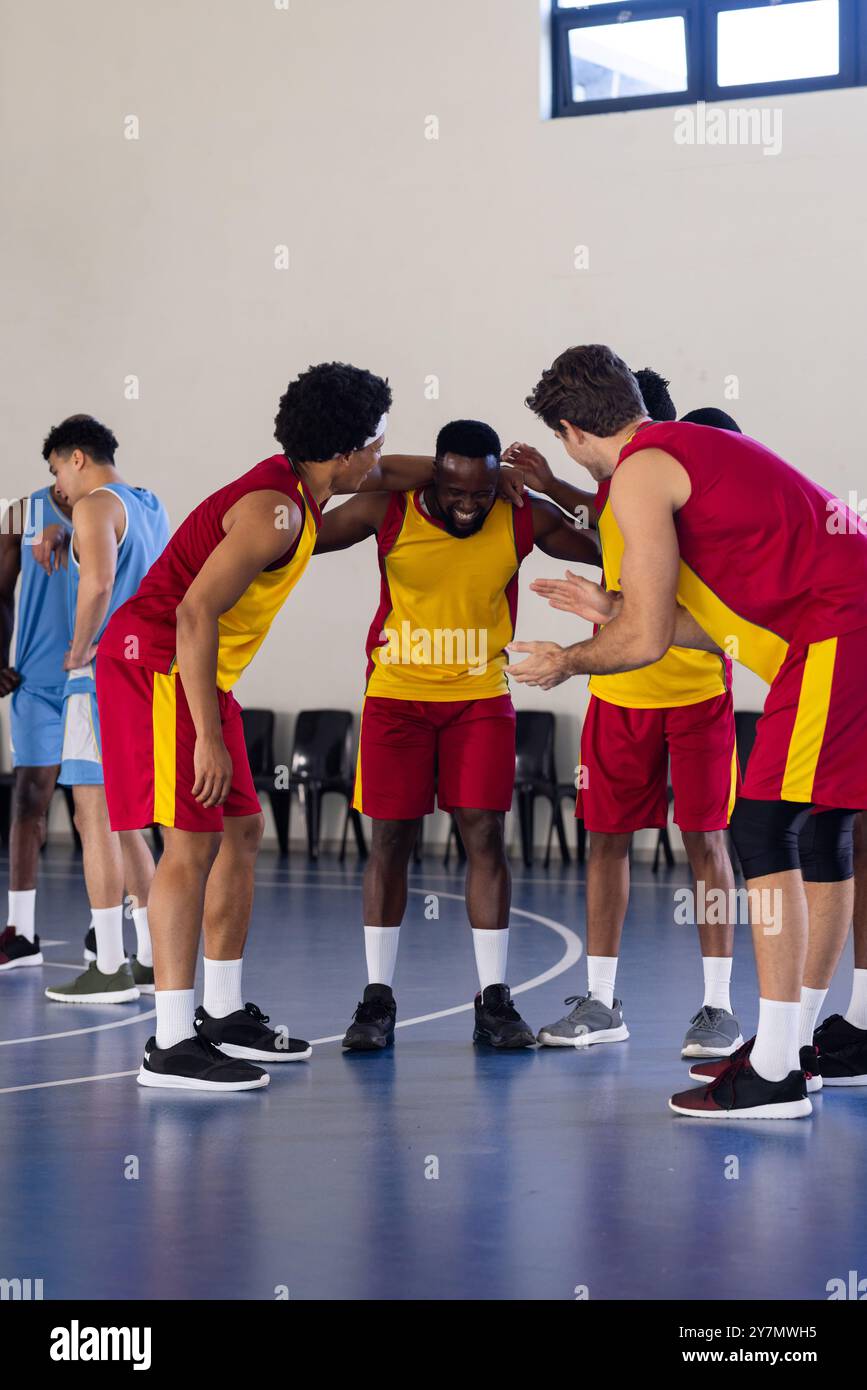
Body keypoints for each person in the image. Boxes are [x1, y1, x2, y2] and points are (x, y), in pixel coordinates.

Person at [510, 343, 867, 1119]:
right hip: (841, 632)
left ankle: (775, 1073)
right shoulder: (697, 449)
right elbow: (702, 630)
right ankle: (795, 1044)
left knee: (765, 826)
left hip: (838, 637)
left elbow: (639, 645)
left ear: (572, 433)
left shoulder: (637, 472)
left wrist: (565, 660)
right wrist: (611, 612)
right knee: (820, 827)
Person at [95, 361, 436, 1090]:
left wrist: (476, 469)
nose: (382, 454)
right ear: (343, 452)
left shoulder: (307, 484)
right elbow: (193, 613)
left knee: (242, 831)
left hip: (198, 673)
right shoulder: (273, 511)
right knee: (190, 842)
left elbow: (391, 475)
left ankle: (220, 1013)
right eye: (374, 442)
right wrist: (210, 735)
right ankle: (170, 1042)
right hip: (155, 664)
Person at [313, 418, 600, 1051]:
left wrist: (554, 485)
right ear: (434, 476)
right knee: (390, 840)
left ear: (498, 479)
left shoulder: (519, 515)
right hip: (396, 699)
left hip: (479, 700)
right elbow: (303, 530)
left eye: (482, 490)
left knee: (485, 836)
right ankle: (376, 1000)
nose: (469, 504)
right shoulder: (388, 508)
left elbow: (608, 541)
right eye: (456, 490)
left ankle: (494, 1000)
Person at [504, 377, 742, 1059]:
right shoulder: (618, 492)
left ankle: (717, 1007)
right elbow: (586, 511)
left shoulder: (709, 508)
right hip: (619, 697)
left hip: (697, 697)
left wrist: (606, 608)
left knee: (707, 844)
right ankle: (602, 1001)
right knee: (605, 841)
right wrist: (545, 481)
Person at [38, 416, 170, 1004]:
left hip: (99, 678)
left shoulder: (92, 504)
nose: (58, 486)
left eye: (56, 471)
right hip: (144, 674)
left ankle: (108, 964)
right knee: (127, 822)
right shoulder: (148, 505)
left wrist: (76, 652)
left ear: (77, 457)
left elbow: (98, 585)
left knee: (92, 818)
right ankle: (146, 957)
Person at [0, 483, 75, 969]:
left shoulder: (122, 507)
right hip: (35, 679)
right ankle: (21, 932)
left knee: (101, 812)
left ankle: (104, 933)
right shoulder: (20, 512)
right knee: (29, 799)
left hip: (94, 680)